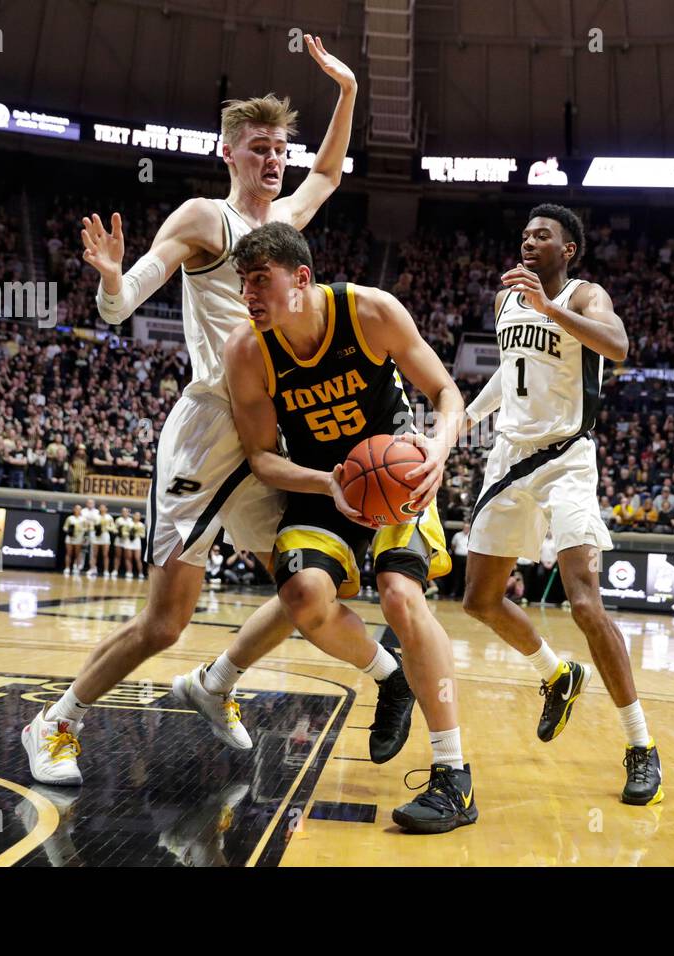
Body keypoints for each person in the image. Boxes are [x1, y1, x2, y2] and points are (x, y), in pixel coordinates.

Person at [22, 40, 359, 786]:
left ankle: (217, 681)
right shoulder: (206, 217)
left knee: (312, 587)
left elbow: (329, 172)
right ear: (229, 152)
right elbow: (123, 304)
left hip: (267, 431)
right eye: (260, 148)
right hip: (209, 432)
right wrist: (110, 280)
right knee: (165, 622)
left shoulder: (291, 221)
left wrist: (348, 89)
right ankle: (54, 722)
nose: (275, 160)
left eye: (281, 149)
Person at [221, 222, 471, 833]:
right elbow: (262, 458)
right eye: (242, 282)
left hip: (396, 475)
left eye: (261, 280)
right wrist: (327, 483)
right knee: (302, 596)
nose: (249, 294)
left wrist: (438, 450)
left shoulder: (369, 312)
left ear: (301, 279)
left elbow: (446, 392)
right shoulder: (247, 352)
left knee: (400, 596)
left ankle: (453, 777)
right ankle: (390, 679)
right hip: (323, 483)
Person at [458, 203, 663, 807]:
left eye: (541, 235)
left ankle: (640, 747)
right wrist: (461, 423)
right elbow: (509, 371)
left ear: (567, 248)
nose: (528, 241)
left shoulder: (583, 295)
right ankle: (557, 673)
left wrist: (550, 310)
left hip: (568, 458)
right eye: (523, 233)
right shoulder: (505, 300)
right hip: (507, 457)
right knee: (479, 600)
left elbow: (620, 346)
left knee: (583, 600)